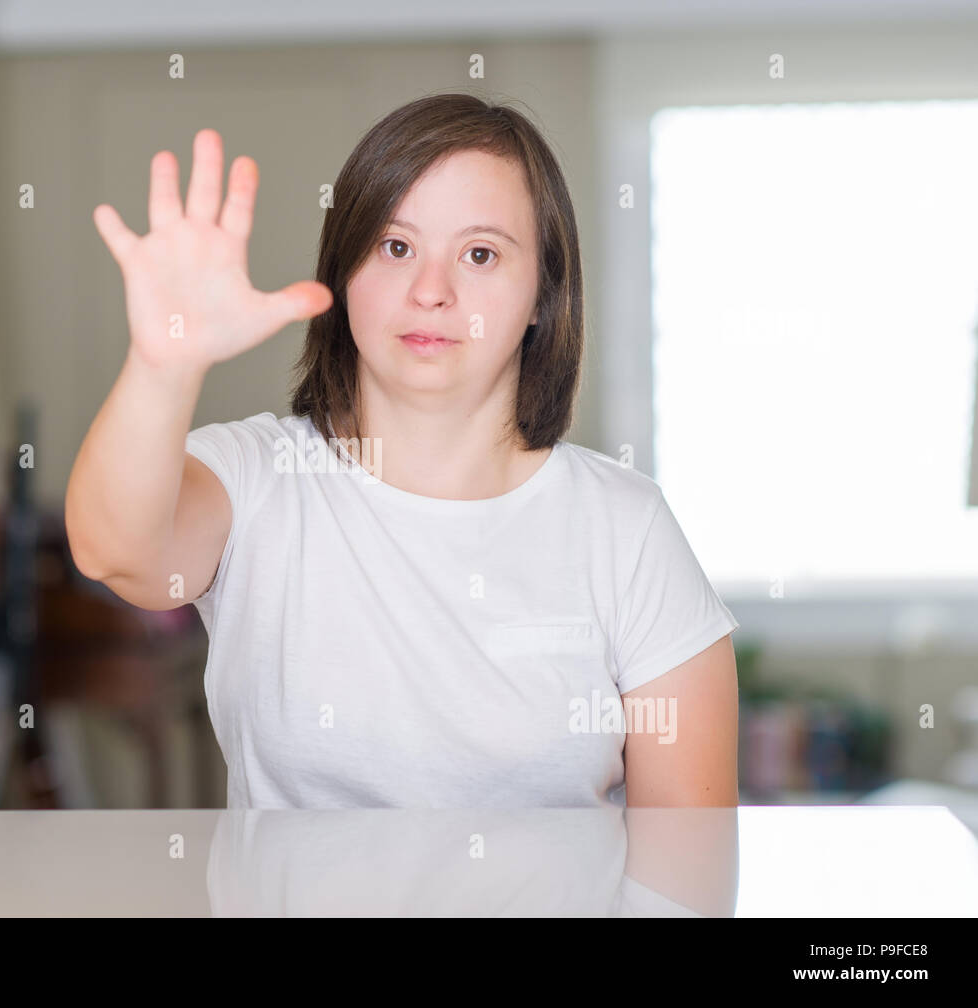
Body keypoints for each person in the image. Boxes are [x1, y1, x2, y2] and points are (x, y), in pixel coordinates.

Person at [66, 92, 740, 810]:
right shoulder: (257, 476)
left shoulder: (626, 528)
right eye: (396, 247)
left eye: (480, 254)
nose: (430, 291)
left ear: (544, 293)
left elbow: (685, 871)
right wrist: (163, 361)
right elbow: (116, 551)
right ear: (346, 270)